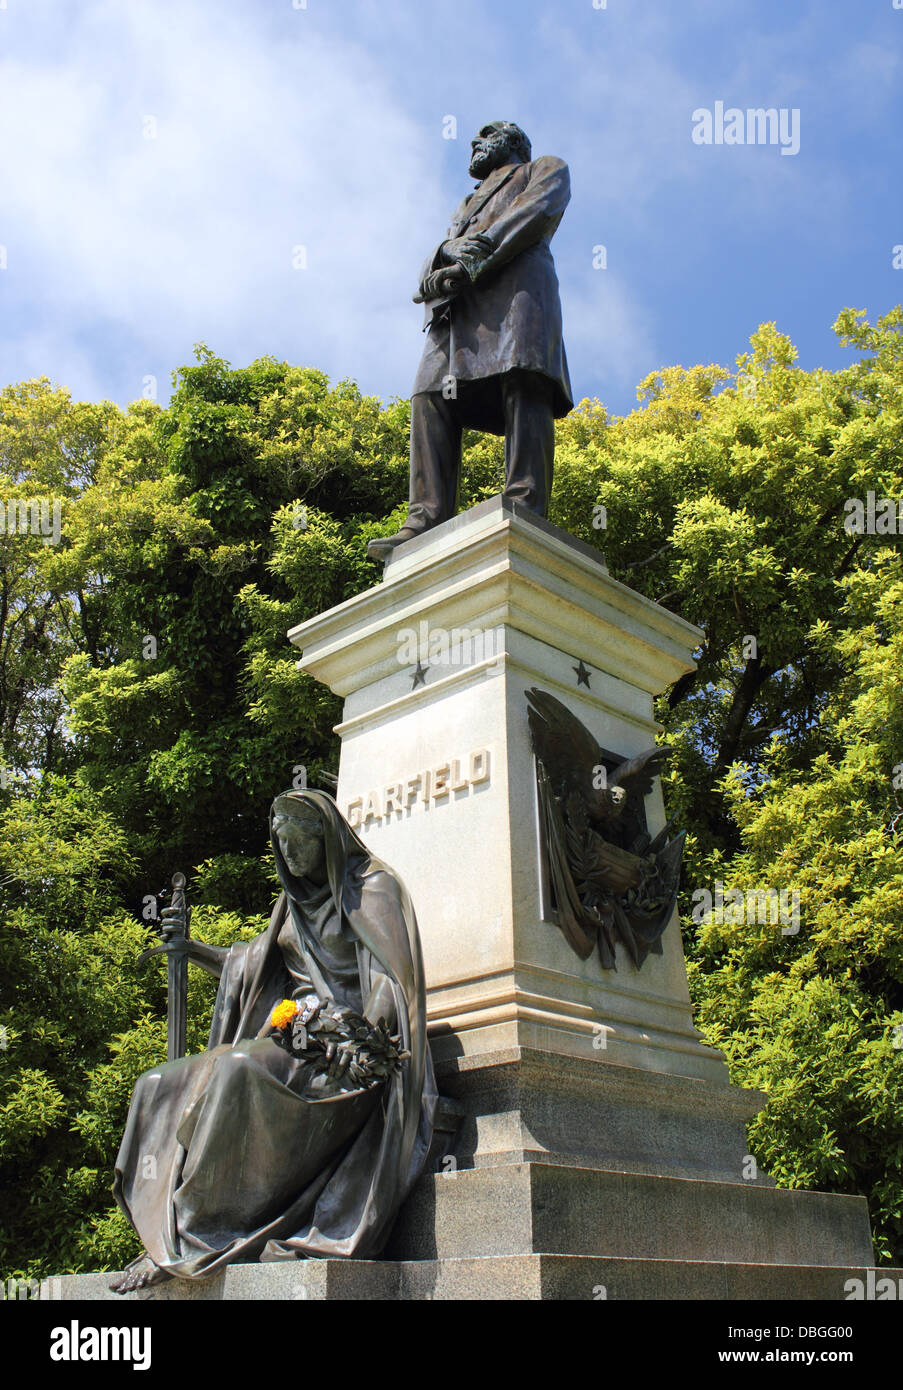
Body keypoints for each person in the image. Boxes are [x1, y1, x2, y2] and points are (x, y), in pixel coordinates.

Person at [110, 788, 436, 1291]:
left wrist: (359, 1043)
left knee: (238, 1067)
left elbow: (394, 982)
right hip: (291, 1033)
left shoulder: (374, 889)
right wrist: (190, 948)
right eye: (280, 844)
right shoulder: (295, 901)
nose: (288, 854)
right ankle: (167, 1232)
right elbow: (255, 965)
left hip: (338, 1046)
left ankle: (198, 1236)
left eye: (298, 842)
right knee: (159, 1083)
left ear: (325, 838)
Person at [368, 120, 573, 562]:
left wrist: (471, 260)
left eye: (487, 134)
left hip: (518, 291)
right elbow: (435, 261)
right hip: (457, 313)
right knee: (428, 394)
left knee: (523, 380)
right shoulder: (465, 203)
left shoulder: (544, 167)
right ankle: (425, 517)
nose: (476, 143)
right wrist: (444, 257)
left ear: (514, 142)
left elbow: (533, 215)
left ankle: (523, 501)